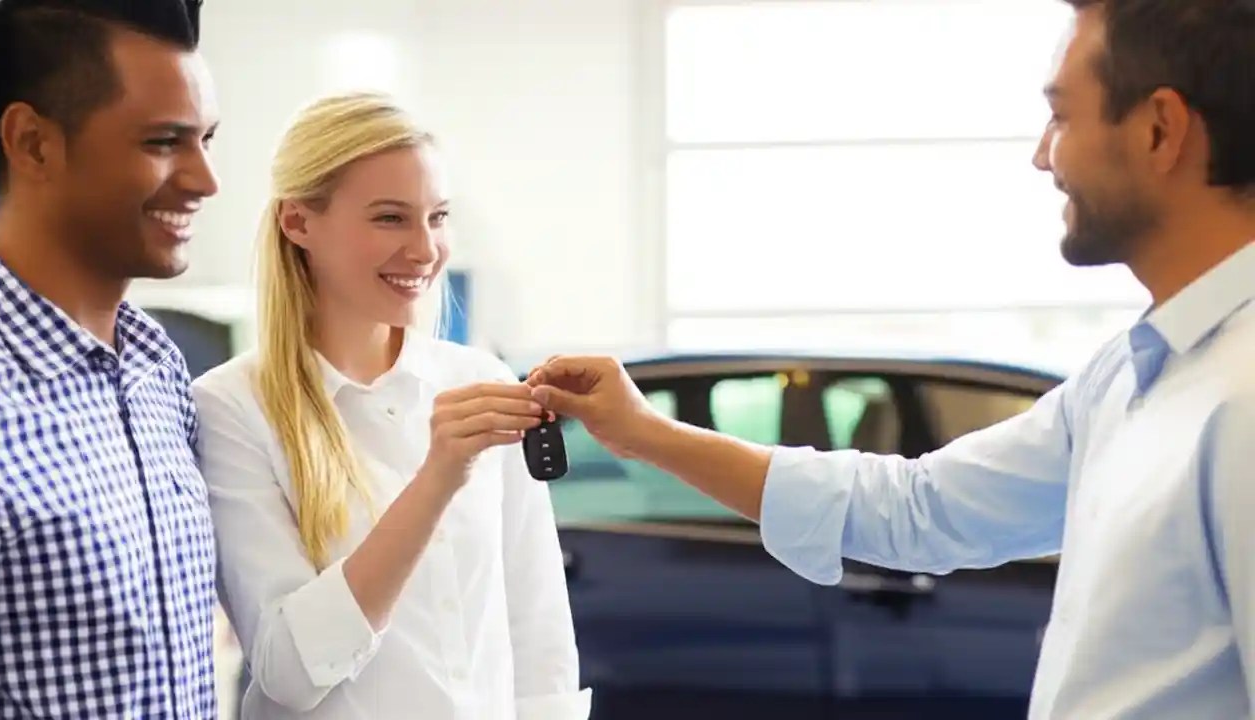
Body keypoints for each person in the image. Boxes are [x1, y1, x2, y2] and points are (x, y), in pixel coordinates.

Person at [527, 1, 1255, 718]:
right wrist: (646, 434)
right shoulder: (1125, 378)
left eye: (1062, 116)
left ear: (1161, 130)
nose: (1042, 155)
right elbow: (919, 509)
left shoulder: (1240, 398)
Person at [191, 91, 590, 720]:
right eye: (389, 218)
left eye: (437, 217)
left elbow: (539, 639)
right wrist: (436, 481)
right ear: (298, 223)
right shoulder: (231, 408)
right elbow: (288, 674)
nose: (426, 249)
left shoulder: (480, 380)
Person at [0, 0, 220, 718]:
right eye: (163, 142)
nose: (205, 180)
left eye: (206, 139)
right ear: (34, 143)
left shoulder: (156, 368)